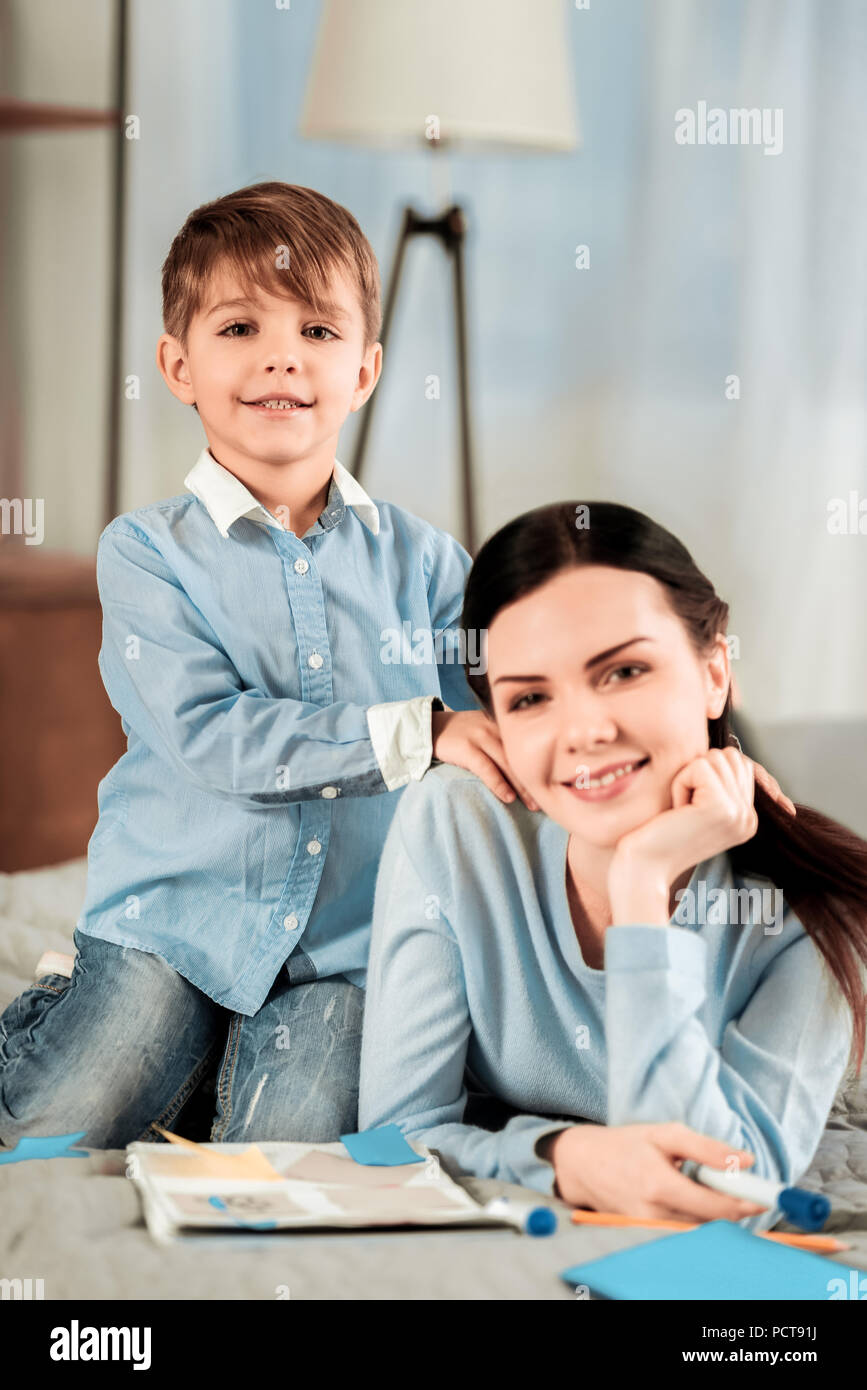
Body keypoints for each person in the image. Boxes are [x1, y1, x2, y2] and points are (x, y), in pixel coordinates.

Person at [0, 182, 526, 1150]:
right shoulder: (146, 552)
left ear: (364, 371)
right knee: (60, 1123)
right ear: (178, 364)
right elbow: (213, 734)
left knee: (291, 1146)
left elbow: (512, 703)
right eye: (241, 325)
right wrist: (425, 732)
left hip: (352, 948)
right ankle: (56, 1016)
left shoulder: (425, 560)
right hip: (178, 921)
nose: (283, 354)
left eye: (319, 331)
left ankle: (212, 1075)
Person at [358, 501, 867, 1230]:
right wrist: (561, 1156)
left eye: (623, 671)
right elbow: (393, 1139)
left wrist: (641, 891)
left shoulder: (813, 912)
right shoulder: (457, 824)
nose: (586, 731)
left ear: (714, 672)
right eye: (530, 697)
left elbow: (721, 1195)